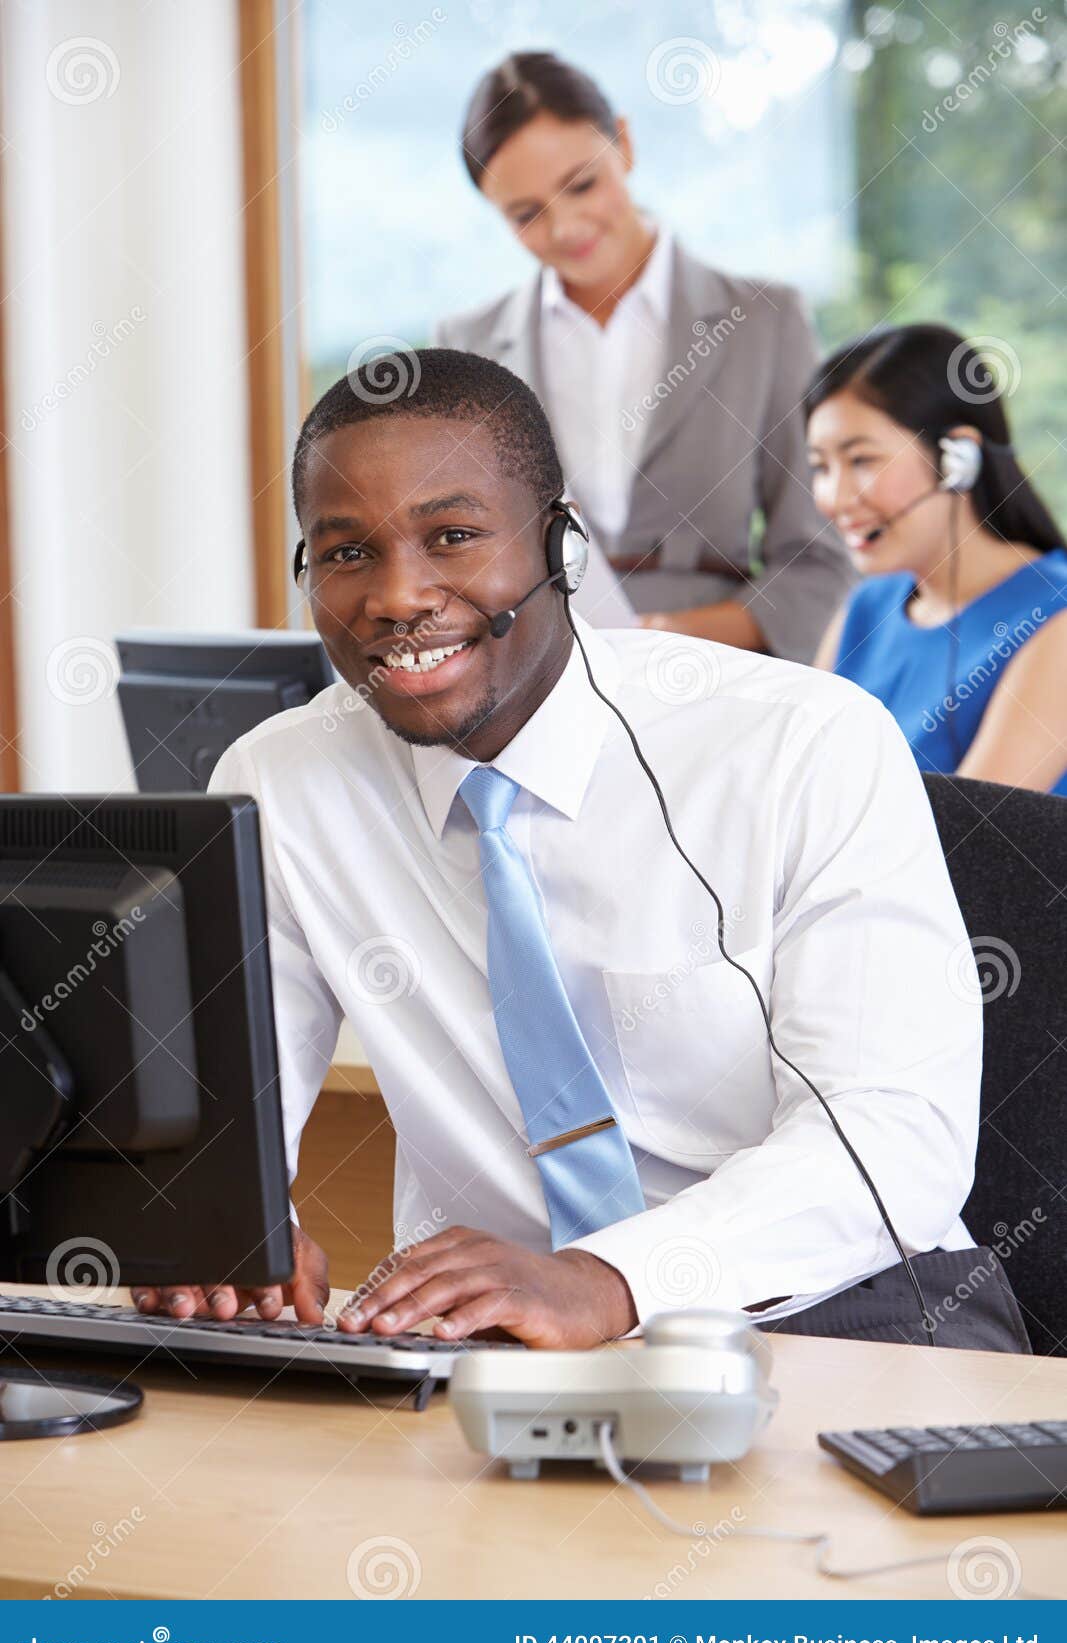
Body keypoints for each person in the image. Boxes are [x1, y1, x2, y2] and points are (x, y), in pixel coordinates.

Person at [133, 348, 1027, 1354]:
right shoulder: (283, 782)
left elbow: (890, 1142)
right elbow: (227, 1114)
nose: (397, 595)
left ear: (559, 544)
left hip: (840, 1303)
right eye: (345, 553)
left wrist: (609, 1279)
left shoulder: (799, 743)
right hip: (488, 1330)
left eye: (453, 536)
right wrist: (221, 1225)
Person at [435, 51, 853, 664]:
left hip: (714, 673)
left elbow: (819, 559)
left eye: (583, 184)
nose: (567, 225)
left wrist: (672, 638)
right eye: (526, 214)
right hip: (526, 680)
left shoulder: (764, 322)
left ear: (624, 144)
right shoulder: (466, 343)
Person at [807, 324, 1067, 792]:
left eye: (862, 460)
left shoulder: (1055, 618)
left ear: (957, 458)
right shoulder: (864, 608)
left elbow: (975, 840)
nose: (834, 497)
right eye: (820, 467)